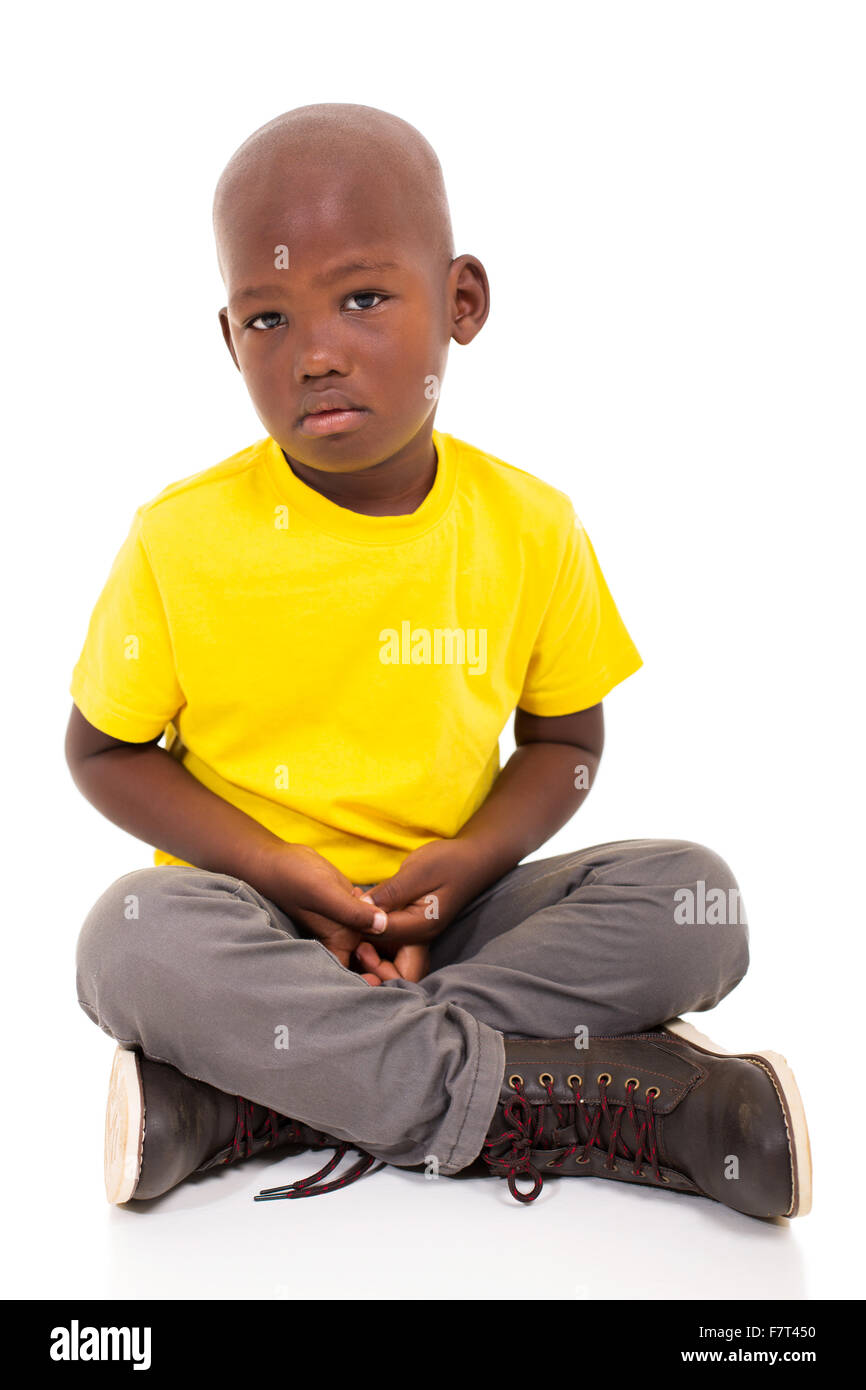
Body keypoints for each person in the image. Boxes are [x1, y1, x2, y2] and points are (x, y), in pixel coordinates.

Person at [66, 103, 811, 1219]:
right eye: (266, 318)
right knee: (128, 942)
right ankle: (614, 1102)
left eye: (362, 298)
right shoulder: (181, 539)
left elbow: (563, 742)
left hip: (453, 917)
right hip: (256, 921)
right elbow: (103, 749)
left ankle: (251, 1099)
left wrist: (461, 869)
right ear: (228, 339)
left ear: (460, 302)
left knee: (695, 897)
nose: (314, 351)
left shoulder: (529, 524)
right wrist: (279, 874)